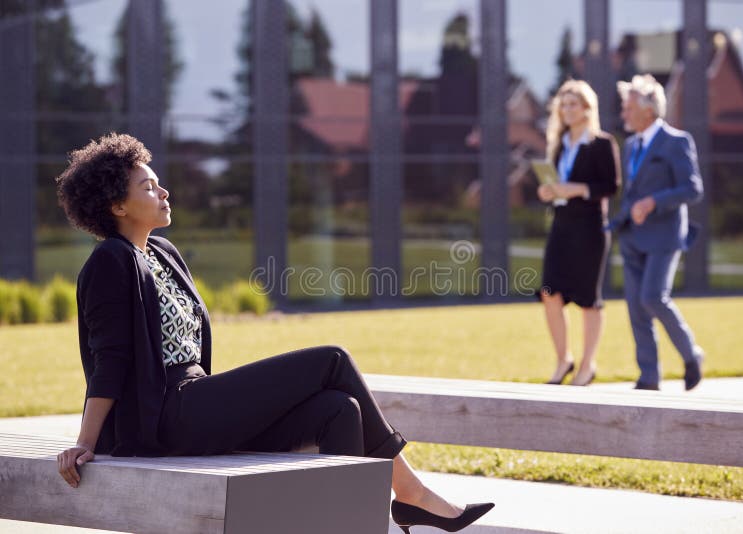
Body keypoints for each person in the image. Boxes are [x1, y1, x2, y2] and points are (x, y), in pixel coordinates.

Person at [54, 133, 493, 533]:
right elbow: (109, 359)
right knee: (332, 359)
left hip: (198, 399)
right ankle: (412, 494)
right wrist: (85, 443)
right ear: (117, 206)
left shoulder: (162, 253)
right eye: (148, 187)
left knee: (339, 410)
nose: (164, 191)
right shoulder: (110, 262)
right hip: (164, 416)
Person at [609, 74, 704, 391]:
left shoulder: (676, 141)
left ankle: (691, 354)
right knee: (637, 308)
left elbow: (692, 189)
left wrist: (654, 201)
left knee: (653, 297)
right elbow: (631, 195)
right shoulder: (632, 145)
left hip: (664, 236)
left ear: (648, 109)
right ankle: (649, 378)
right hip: (633, 237)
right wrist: (614, 223)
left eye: (629, 106)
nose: (624, 113)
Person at [536, 80, 621, 386]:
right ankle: (563, 360)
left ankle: (587, 365)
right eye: (564, 103)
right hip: (561, 226)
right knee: (549, 292)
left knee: (588, 299)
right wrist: (549, 191)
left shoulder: (601, 143)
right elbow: (557, 185)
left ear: (587, 108)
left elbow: (611, 186)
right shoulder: (559, 144)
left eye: (573, 104)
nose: (567, 109)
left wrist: (576, 189)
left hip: (590, 229)